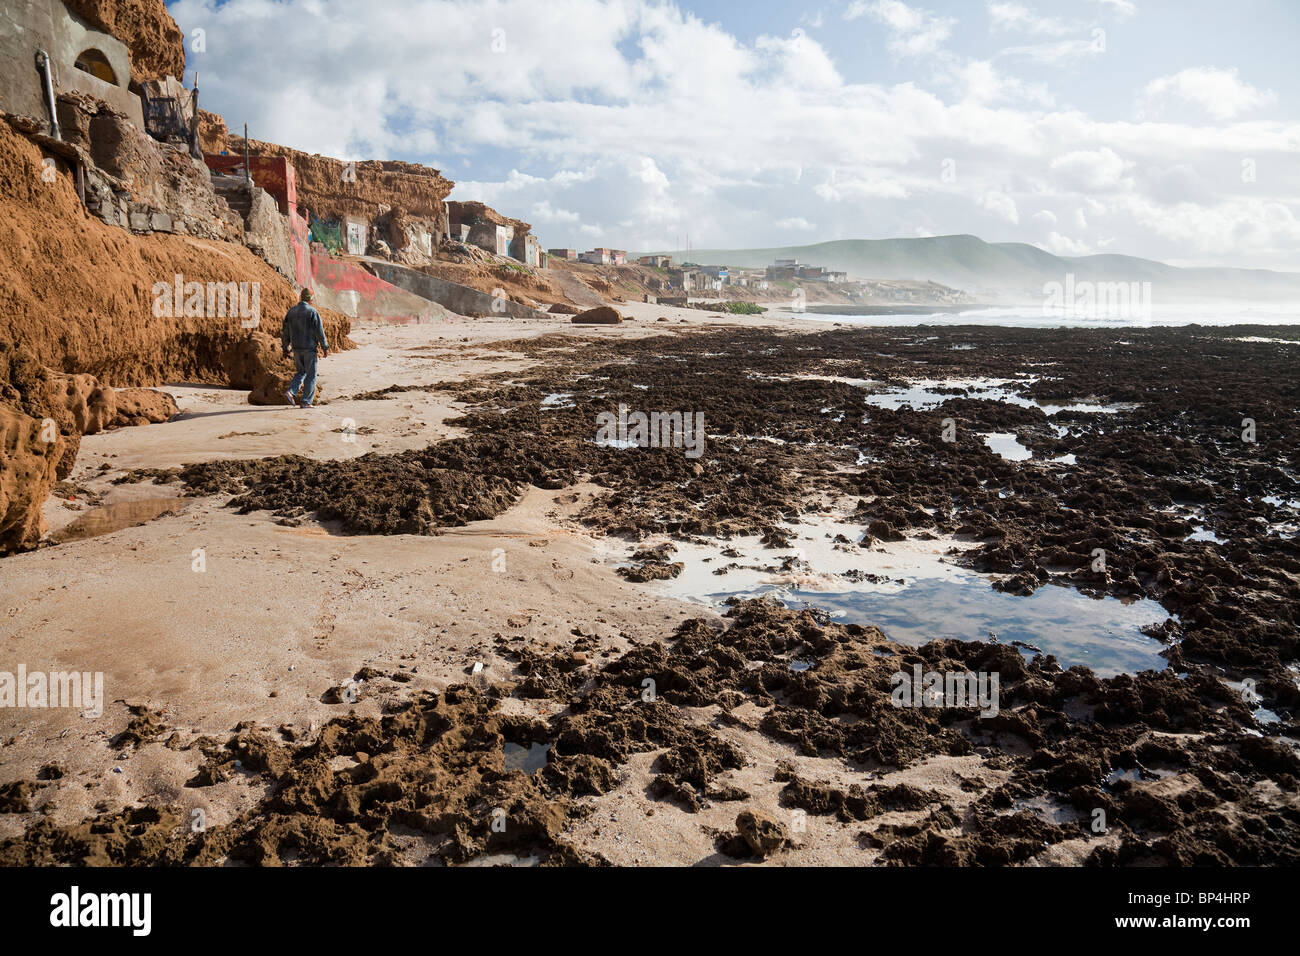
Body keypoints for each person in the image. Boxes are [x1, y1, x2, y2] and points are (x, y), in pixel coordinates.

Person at [282, 288, 329, 407]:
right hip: (309, 348)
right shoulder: (312, 312)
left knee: (300, 372)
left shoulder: (291, 312)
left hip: (296, 349)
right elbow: (319, 331)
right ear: (310, 299)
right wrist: (325, 347)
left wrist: (285, 347)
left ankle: (291, 392)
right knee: (311, 375)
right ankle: (306, 402)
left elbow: (285, 332)